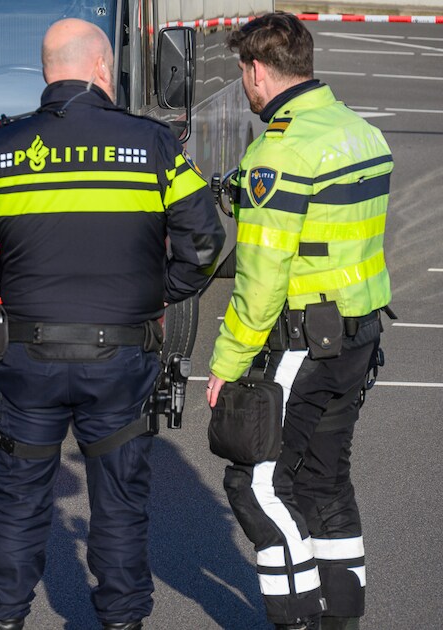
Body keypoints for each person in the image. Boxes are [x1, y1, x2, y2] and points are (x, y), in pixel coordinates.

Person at [0, 18, 223, 630]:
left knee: (17, 504)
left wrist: (9, 288)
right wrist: (159, 292)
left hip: (28, 354)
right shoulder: (151, 145)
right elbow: (204, 241)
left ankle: (1, 620)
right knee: (119, 503)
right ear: (101, 67)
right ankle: (121, 620)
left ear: (47, 71)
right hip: (120, 356)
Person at [205, 12, 393, 630]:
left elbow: (261, 282)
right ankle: (341, 619)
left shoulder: (279, 153)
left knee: (256, 487)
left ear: (258, 71)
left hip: (304, 341)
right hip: (359, 334)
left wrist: (227, 363)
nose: (245, 85)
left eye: (243, 72)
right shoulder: (362, 133)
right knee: (323, 481)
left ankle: (300, 618)